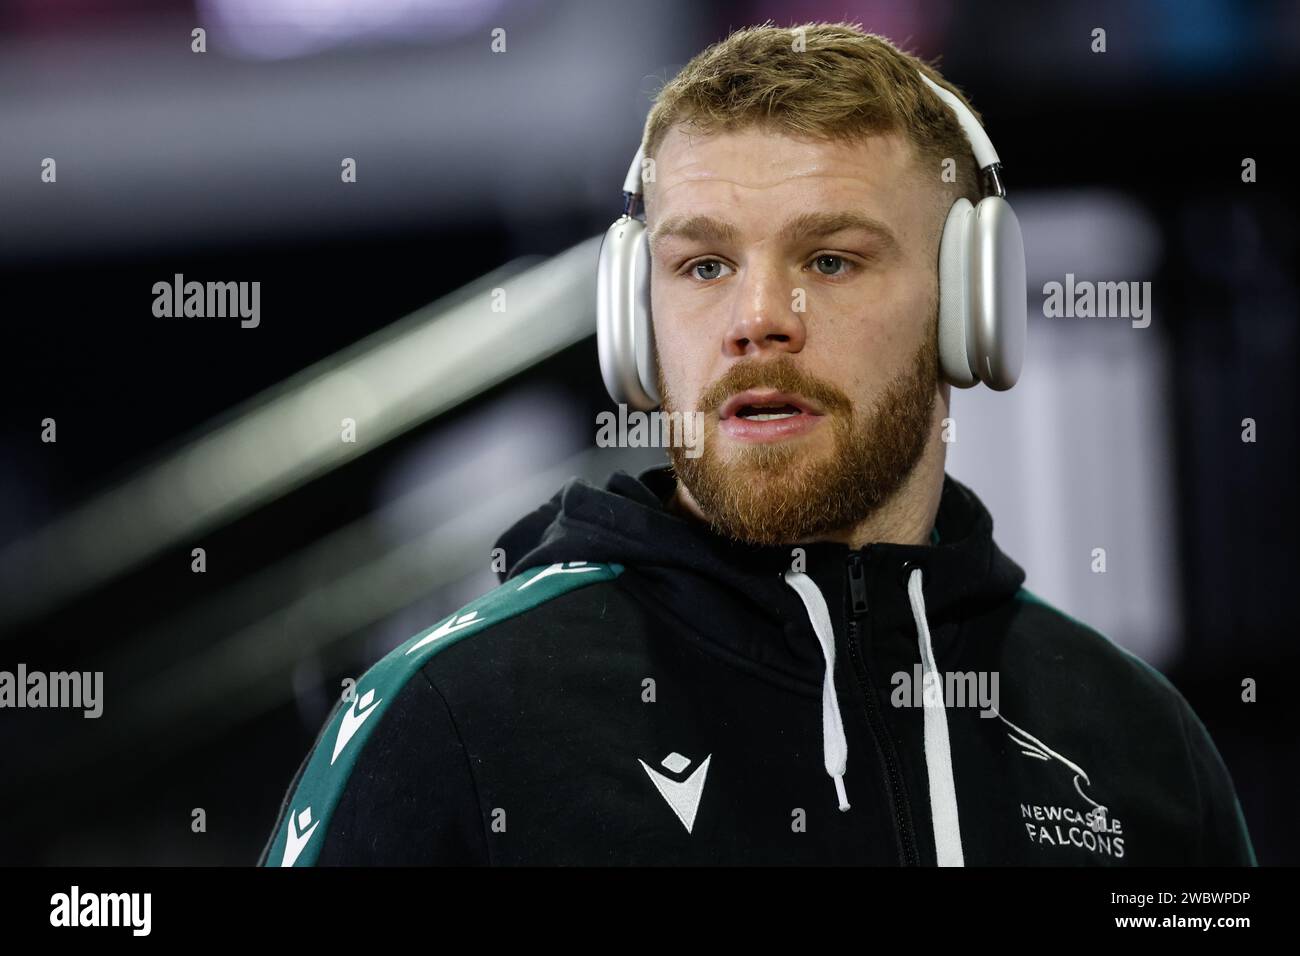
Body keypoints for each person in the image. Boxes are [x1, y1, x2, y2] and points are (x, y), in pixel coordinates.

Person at [260, 22, 1254, 866]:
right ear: (632, 323)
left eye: (829, 259)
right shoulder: (448, 721)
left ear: (968, 305)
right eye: (702, 265)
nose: (757, 318)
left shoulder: (1135, 744)